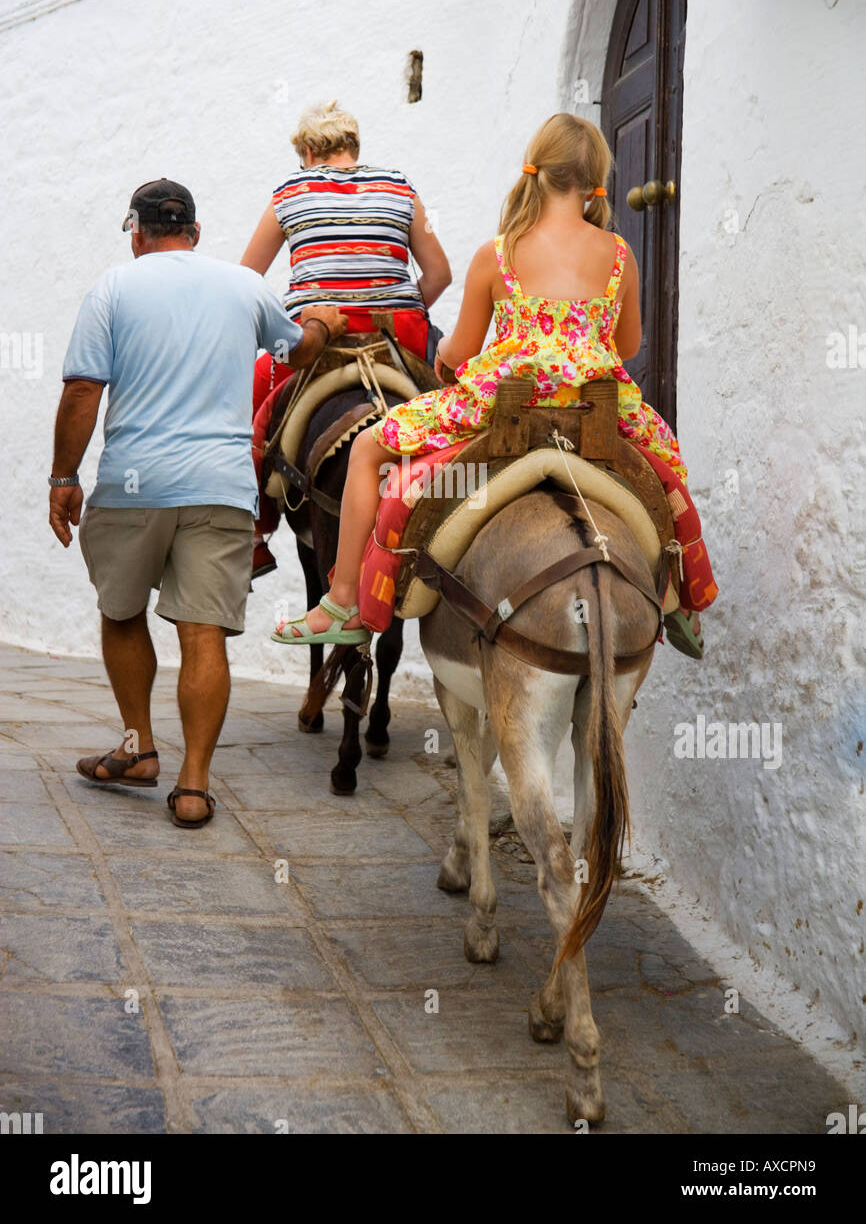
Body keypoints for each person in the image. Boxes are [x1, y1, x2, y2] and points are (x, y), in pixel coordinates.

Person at [270, 113, 716, 657]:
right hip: (597, 414)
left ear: (536, 172)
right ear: (597, 181)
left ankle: (341, 601)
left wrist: (452, 366)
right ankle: (680, 601)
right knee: (667, 473)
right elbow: (627, 347)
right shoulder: (619, 254)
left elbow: (459, 352)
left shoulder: (498, 253)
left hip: (509, 411)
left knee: (366, 449)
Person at [49, 178, 346, 827]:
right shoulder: (243, 286)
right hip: (220, 488)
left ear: (137, 233)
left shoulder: (113, 288)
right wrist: (321, 322)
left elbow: (81, 392)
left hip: (135, 487)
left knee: (122, 613)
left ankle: (138, 748)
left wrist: (62, 479)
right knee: (203, 633)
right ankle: (192, 786)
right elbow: (297, 351)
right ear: (197, 233)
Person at [240, 99, 452, 577]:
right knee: (456, 400)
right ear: (353, 148)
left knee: (254, 401)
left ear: (311, 150)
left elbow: (246, 282)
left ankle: (255, 532)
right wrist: (395, 306)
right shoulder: (401, 187)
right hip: (400, 335)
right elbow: (439, 274)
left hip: (315, 341)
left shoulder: (289, 192)